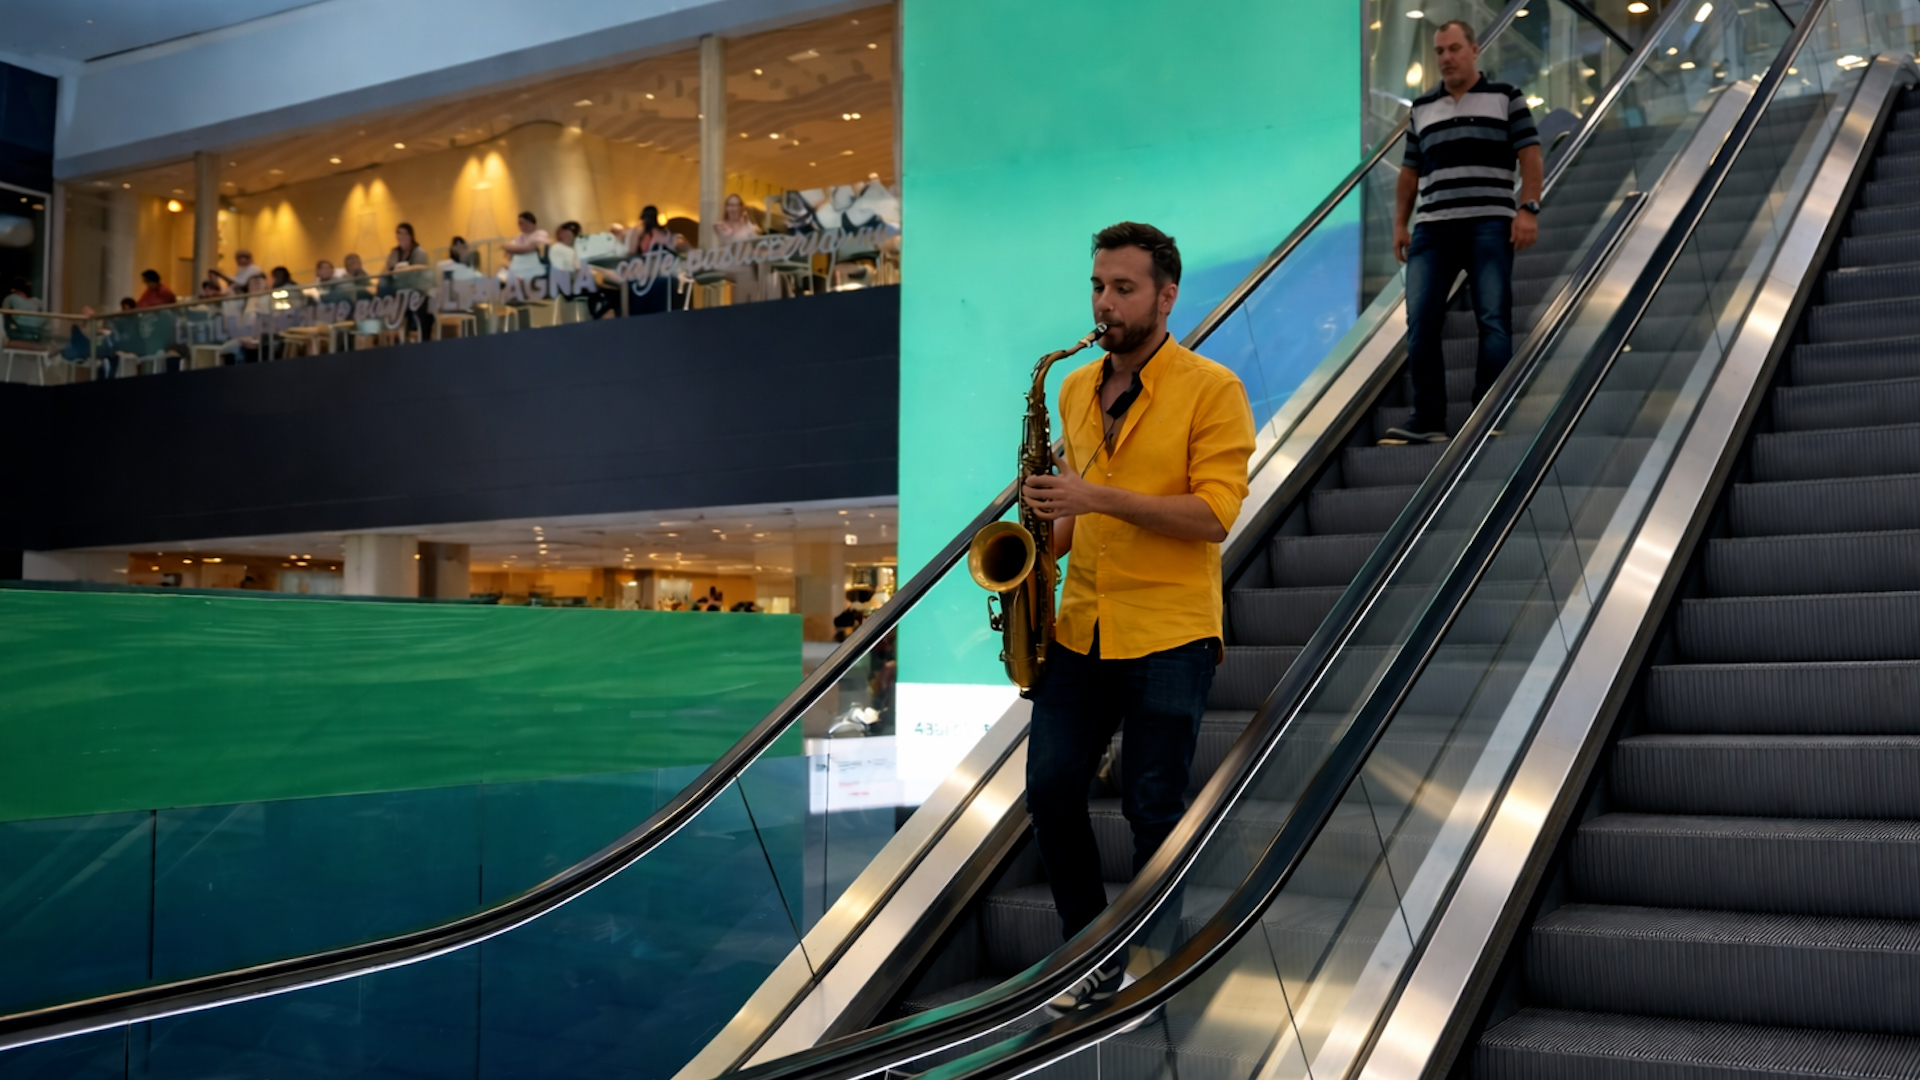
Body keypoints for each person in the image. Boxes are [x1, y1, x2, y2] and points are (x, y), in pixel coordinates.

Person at [1017, 221, 1256, 1015]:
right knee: (1050, 791)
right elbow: (1075, 517)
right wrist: (1041, 538)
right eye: (1098, 286)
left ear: (1166, 295)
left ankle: (1156, 964)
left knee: (1152, 808)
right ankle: (1090, 951)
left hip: (1171, 631)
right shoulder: (1073, 388)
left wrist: (1092, 497)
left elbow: (1214, 516)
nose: (1106, 303)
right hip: (1081, 624)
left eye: (1123, 288)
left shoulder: (1212, 389)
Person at [1383, 19, 1542, 445]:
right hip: (1432, 228)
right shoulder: (1422, 109)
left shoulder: (1506, 98)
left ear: (1474, 50)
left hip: (1489, 222)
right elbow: (1409, 173)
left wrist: (1528, 207)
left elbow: (1529, 154)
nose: (1446, 58)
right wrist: (1401, 223)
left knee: (1493, 318)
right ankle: (1429, 418)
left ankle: (1488, 410)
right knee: (1420, 322)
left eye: (1454, 49)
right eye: (1439, 51)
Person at [624, 204, 686, 315]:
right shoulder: (664, 233)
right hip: (663, 276)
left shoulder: (639, 231)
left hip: (645, 276)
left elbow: (631, 252)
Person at [385, 223, 434, 338]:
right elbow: (387, 270)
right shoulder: (395, 253)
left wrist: (404, 269)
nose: (400, 236)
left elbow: (423, 269)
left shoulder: (419, 252)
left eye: (403, 233)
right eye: (398, 233)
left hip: (418, 290)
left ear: (410, 235)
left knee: (420, 311)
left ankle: (419, 335)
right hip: (399, 293)